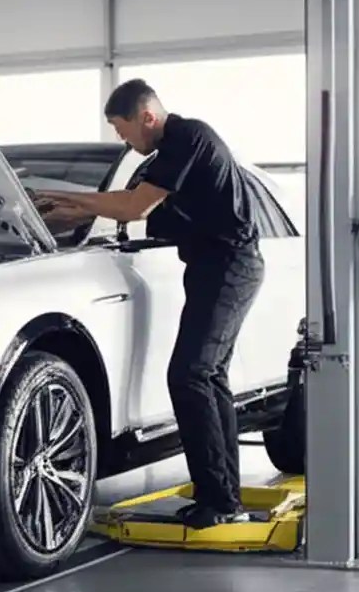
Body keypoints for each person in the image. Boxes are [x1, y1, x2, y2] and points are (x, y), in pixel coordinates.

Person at [34, 79, 265, 529]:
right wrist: (74, 209)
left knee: (191, 374)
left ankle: (220, 501)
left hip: (230, 265)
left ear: (146, 117)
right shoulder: (168, 156)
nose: (123, 141)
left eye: (123, 131)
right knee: (207, 377)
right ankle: (222, 497)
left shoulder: (188, 138)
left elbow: (133, 208)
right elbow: (129, 206)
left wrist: (71, 198)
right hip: (212, 267)